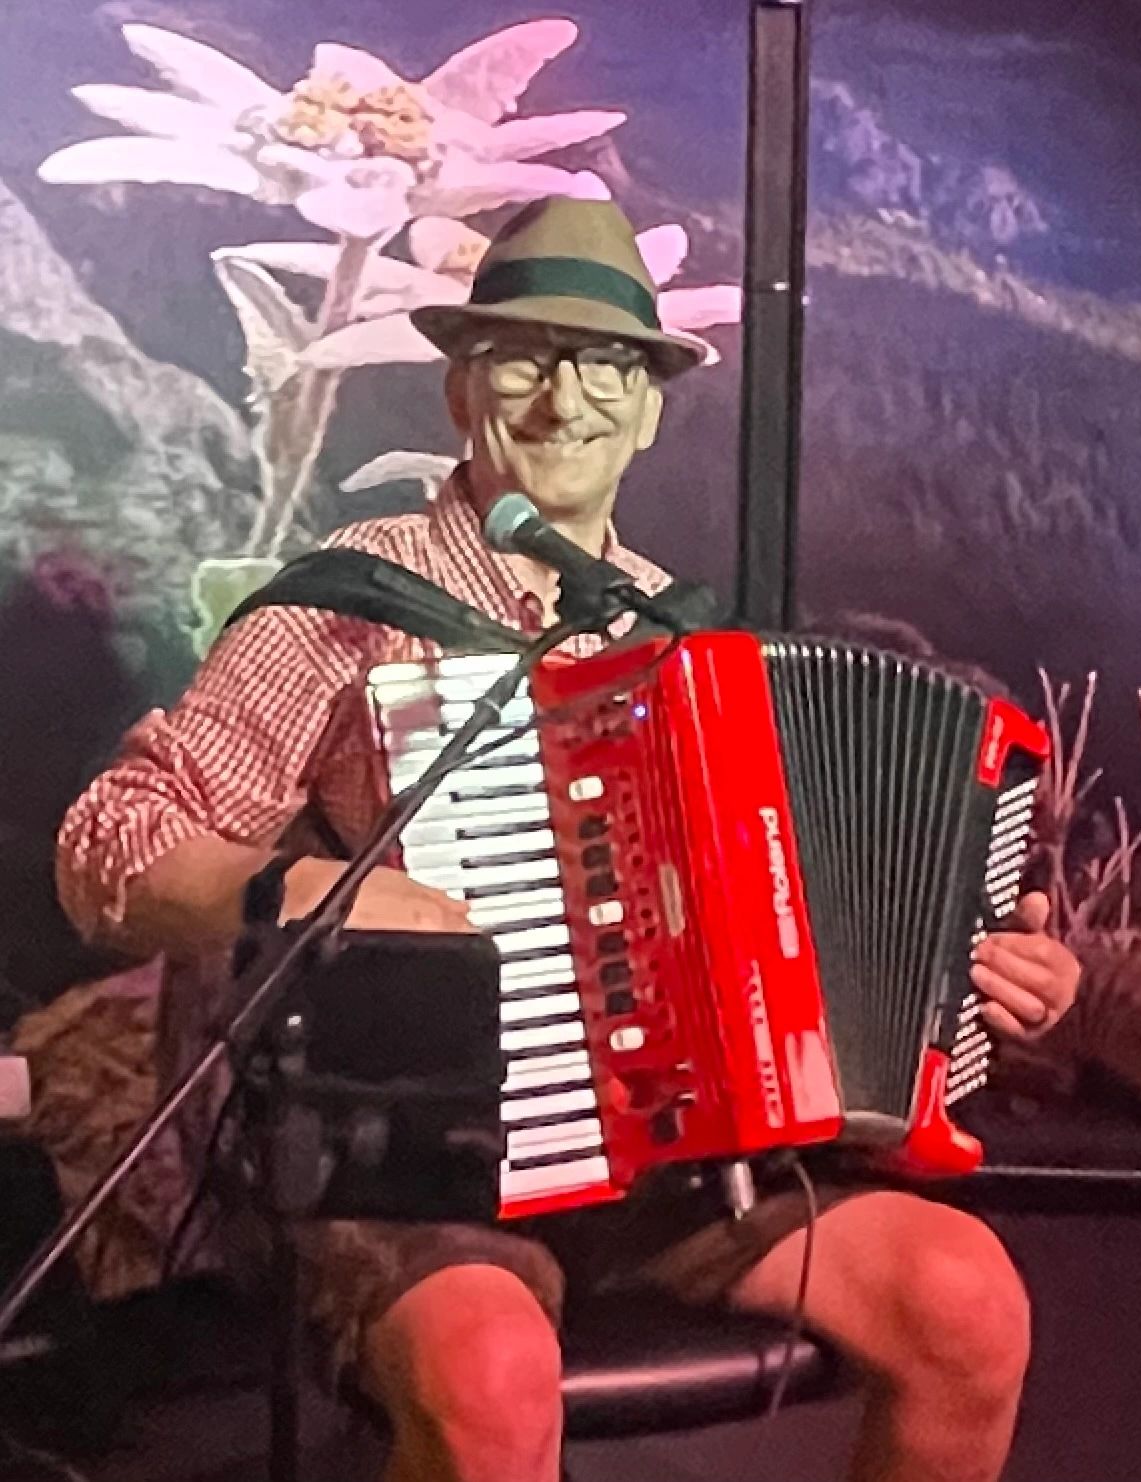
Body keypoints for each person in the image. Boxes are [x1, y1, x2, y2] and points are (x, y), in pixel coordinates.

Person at [57, 198, 1081, 1482]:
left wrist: (988, 987)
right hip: (427, 1164)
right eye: (524, 357)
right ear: (460, 387)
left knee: (966, 1306)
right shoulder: (349, 602)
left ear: (649, 406)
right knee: (489, 1378)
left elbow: (815, 930)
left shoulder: (688, 643)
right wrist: (307, 885)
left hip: (680, 1158)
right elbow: (113, 841)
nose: (565, 399)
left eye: (605, 363)